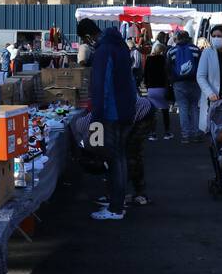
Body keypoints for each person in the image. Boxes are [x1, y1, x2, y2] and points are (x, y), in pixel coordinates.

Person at [78, 17, 137, 221]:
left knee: (113, 158)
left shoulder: (103, 51)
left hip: (112, 112)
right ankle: (116, 201)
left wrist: (96, 115)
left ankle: (115, 207)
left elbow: (102, 85)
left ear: (87, 36)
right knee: (119, 156)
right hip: (126, 109)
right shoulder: (119, 46)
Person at [70, 94, 155, 208]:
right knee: (127, 155)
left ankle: (124, 195)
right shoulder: (92, 122)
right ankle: (131, 193)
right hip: (136, 112)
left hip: (143, 114)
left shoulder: (89, 124)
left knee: (130, 155)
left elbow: (104, 150)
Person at [168, 30, 202, 143]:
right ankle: (196, 133)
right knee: (194, 107)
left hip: (178, 83)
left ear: (177, 38)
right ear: (188, 38)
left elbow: (167, 68)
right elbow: (201, 65)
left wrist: (171, 80)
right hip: (194, 82)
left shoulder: (171, 51)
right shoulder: (195, 49)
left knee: (182, 108)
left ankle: (185, 135)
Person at [142, 38, 174, 140]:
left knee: (152, 112)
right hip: (162, 88)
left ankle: (152, 133)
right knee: (165, 111)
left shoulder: (149, 59)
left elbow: (145, 75)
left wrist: (147, 86)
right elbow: (167, 75)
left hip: (151, 88)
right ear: (162, 51)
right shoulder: (164, 60)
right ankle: (167, 132)